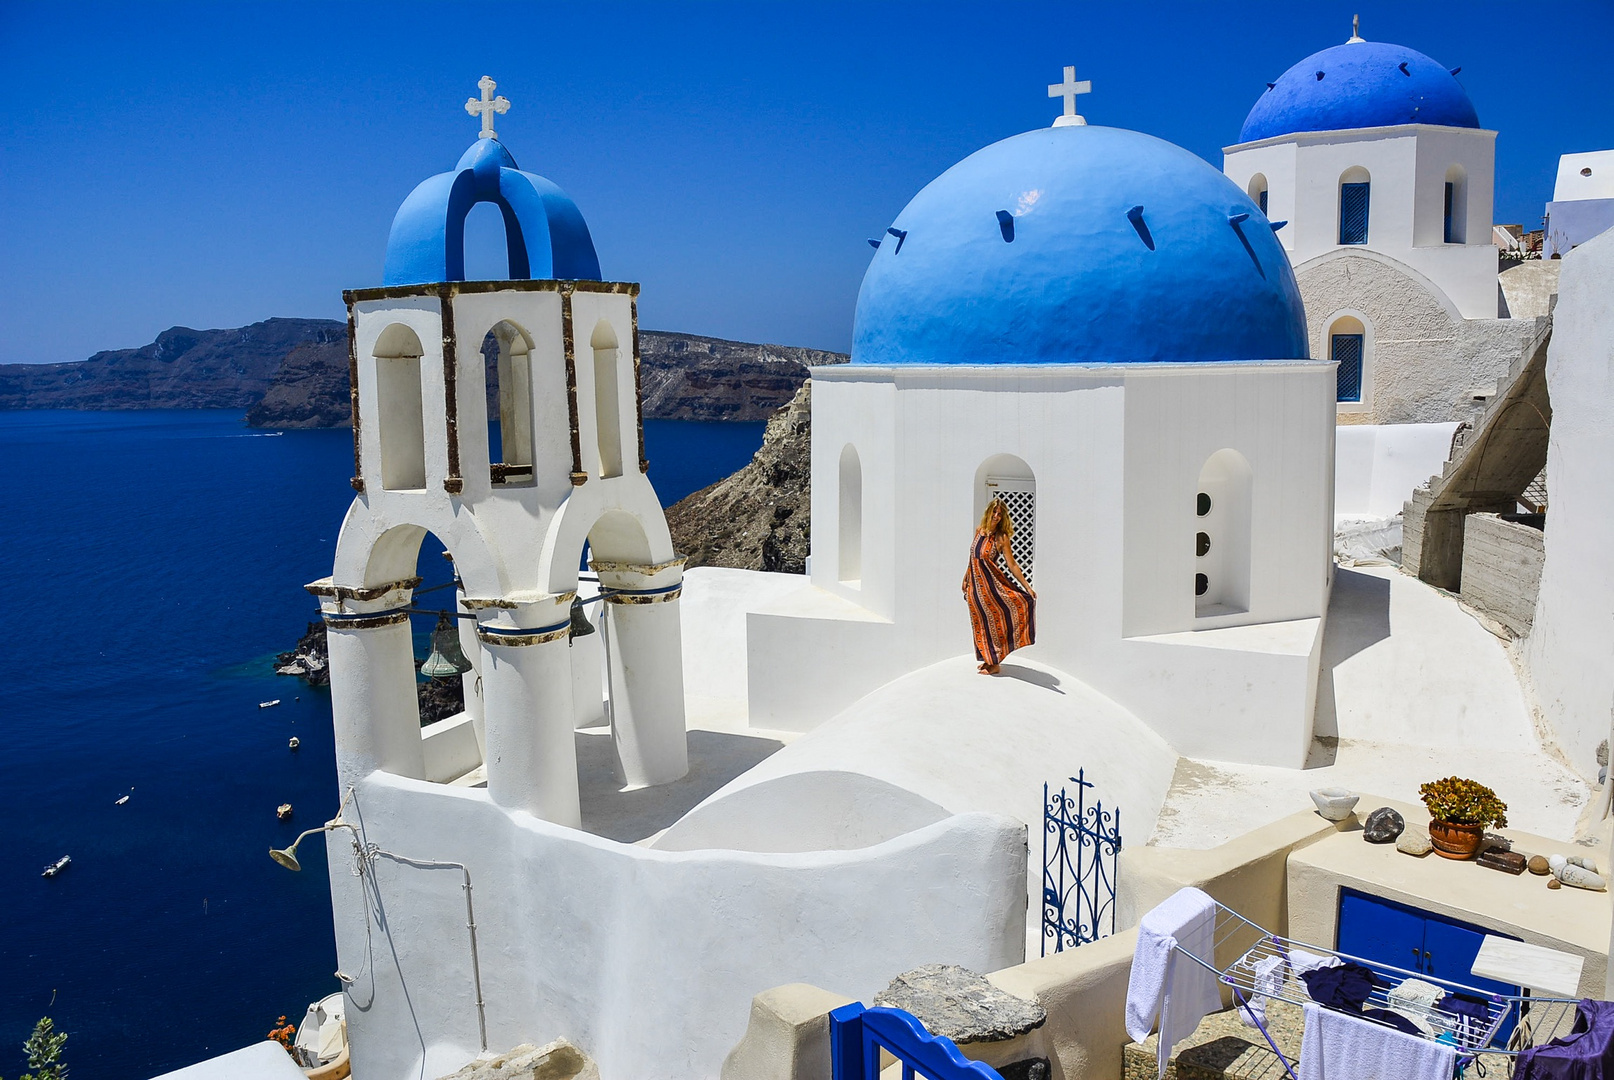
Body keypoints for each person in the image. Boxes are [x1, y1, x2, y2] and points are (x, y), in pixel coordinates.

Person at [962, 498, 1036, 675]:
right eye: (994, 513)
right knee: (979, 623)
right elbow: (973, 557)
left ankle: (995, 663)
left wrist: (1027, 587)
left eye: (1000, 514)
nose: (996, 516)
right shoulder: (979, 531)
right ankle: (987, 659)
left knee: (994, 623)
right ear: (989, 513)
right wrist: (965, 577)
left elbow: (1012, 565)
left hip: (990, 588)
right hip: (974, 587)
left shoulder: (1002, 538)